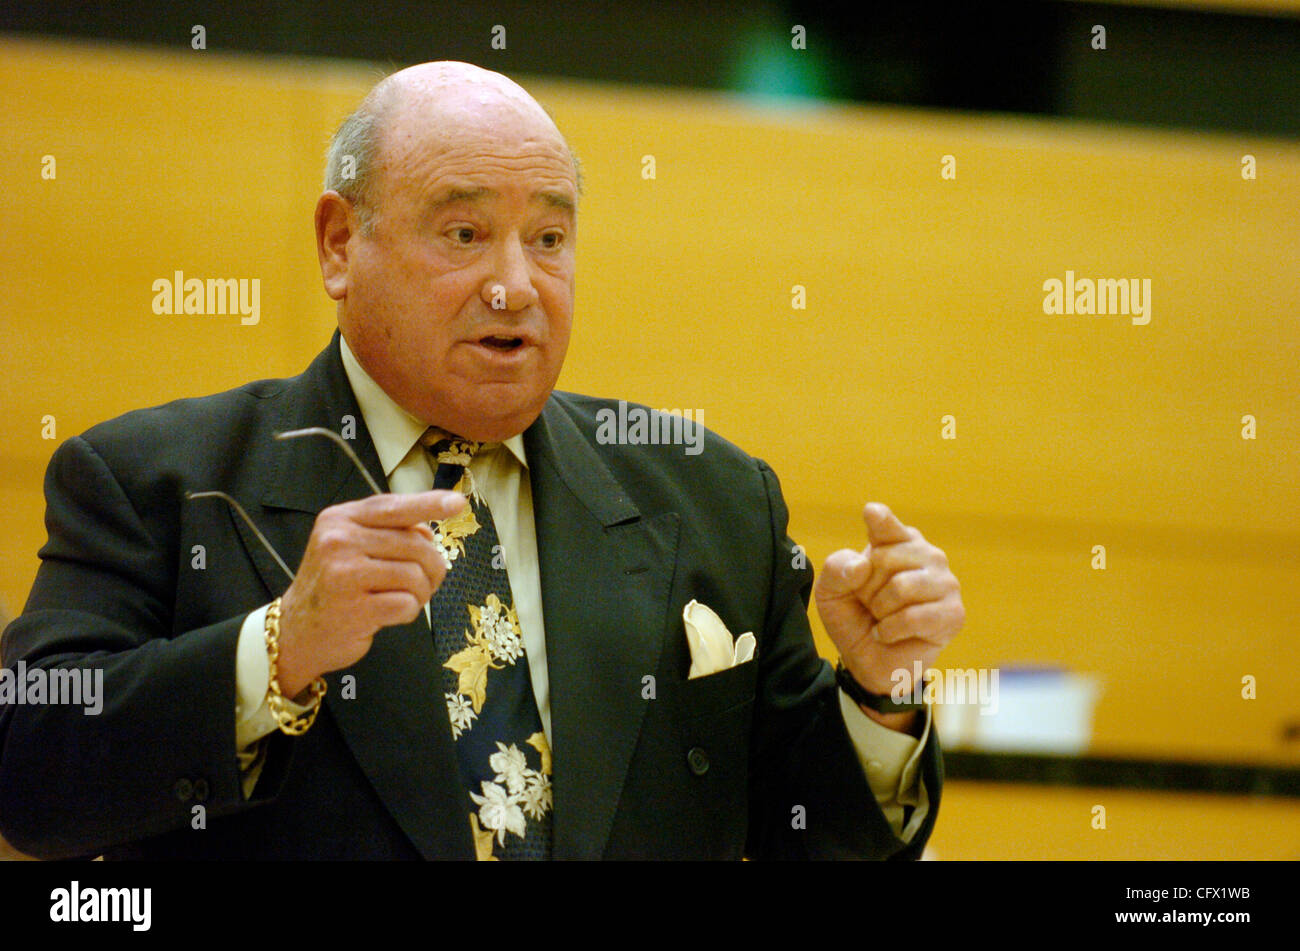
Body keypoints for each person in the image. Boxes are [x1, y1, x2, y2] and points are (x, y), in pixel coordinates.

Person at [0, 62, 964, 860]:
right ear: (341, 244)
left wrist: (879, 696)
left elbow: (812, 833)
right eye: (464, 234)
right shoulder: (156, 482)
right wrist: (279, 648)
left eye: (549, 238)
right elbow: (28, 773)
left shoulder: (712, 496)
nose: (515, 285)